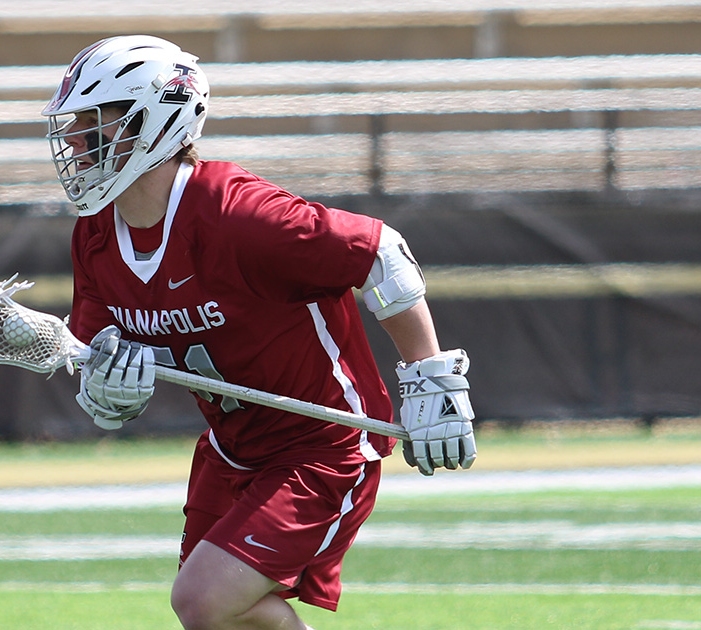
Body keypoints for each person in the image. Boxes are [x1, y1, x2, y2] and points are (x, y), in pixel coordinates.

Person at [42, 35, 477, 630]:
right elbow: (100, 354)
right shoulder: (96, 235)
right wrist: (109, 393)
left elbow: (383, 254)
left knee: (200, 599)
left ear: (154, 121)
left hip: (321, 446)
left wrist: (431, 380)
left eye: (94, 122)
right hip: (230, 450)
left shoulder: (235, 214)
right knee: (222, 617)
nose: (72, 140)